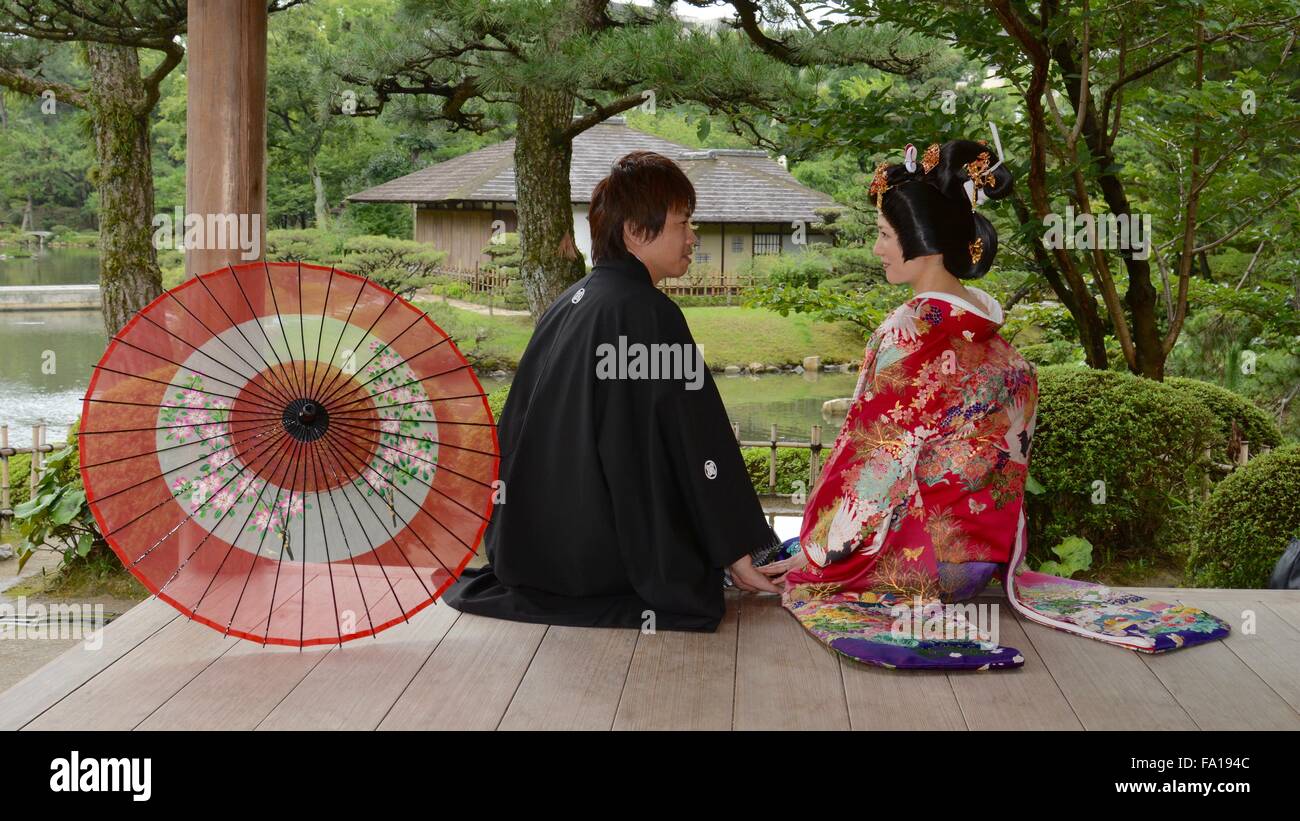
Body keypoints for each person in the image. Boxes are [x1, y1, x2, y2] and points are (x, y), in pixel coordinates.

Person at [756, 138, 1229, 670]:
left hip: (921, 567)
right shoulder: (996, 339)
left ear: (923, 241)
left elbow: (872, 461)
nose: (876, 248)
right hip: (981, 561)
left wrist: (818, 554)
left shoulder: (911, 330)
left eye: (885, 235)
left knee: (777, 561)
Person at [441, 150, 782, 633]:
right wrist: (739, 549)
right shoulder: (647, 312)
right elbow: (699, 444)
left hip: (534, 551)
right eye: (683, 224)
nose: (692, 237)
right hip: (606, 565)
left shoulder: (572, 302)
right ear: (635, 232)